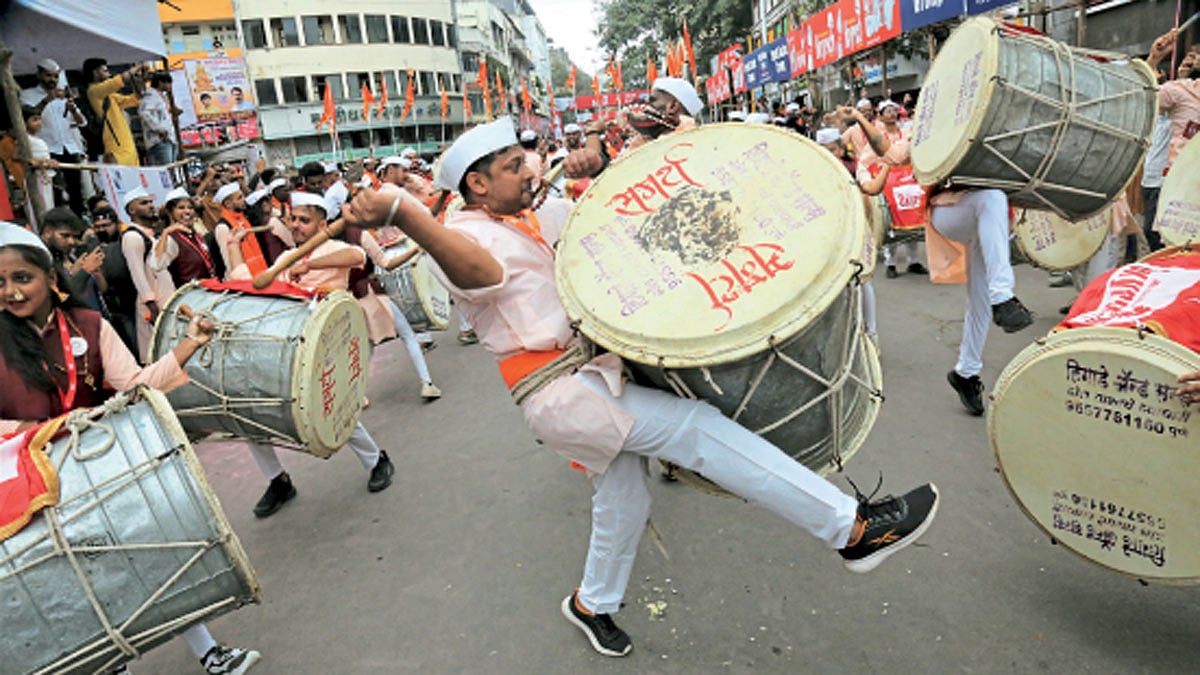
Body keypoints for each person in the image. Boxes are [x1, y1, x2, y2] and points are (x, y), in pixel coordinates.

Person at [341, 116, 940, 657]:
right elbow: (479, 274)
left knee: (624, 498)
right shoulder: (461, 236)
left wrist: (602, 165)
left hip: (592, 376)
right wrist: (404, 214)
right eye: (512, 166)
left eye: (526, 159)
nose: (529, 170)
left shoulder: (534, 213)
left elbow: (616, 225)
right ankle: (853, 529)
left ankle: (591, 604)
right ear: (476, 185)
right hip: (559, 391)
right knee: (697, 430)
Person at [0, 222, 260, 675]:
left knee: (143, 552)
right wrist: (23, 428)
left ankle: (209, 651)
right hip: (26, 481)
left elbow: (134, 386)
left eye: (22, 278)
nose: (11, 292)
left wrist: (188, 345)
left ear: (49, 277)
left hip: (94, 461)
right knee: (67, 581)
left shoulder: (89, 324)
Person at [223, 192, 394, 517]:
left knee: (331, 408)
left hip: (327, 343)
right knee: (249, 411)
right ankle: (278, 479)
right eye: (293, 219)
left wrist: (308, 263)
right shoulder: (285, 257)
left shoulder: (332, 248)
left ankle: (377, 460)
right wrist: (234, 245)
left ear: (322, 223)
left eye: (304, 220)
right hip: (285, 343)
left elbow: (357, 256)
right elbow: (246, 280)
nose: (296, 225)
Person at [19, 58, 86, 214]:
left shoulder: (63, 96)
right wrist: (48, 99)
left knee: (76, 188)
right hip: (47, 149)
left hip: (68, 147)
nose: (52, 80)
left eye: (55, 76)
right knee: (53, 190)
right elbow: (29, 117)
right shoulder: (28, 95)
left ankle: (79, 217)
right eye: (48, 76)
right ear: (39, 75)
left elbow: (82, 122)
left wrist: (73, 109)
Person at [118, 187, 173, 362]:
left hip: (165, 300)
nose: (150, 206)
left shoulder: (150, 235)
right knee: (157, 356)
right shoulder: (133, 237)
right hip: (153, 306)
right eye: (144, 203)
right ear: (131, 210)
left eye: (150, 201)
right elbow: (137, 274)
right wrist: (151, 305)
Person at [148, 187, 219, 286]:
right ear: (170, 212)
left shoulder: (195, 235)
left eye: (190, 208)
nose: (187, 211)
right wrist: (165, 233)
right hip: (189, 296)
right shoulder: (171, 238)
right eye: (181, 208)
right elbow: (157, 265)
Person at [83, 58, 146, 166]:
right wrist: (138, 67)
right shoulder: (93, 91)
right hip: (116, 150)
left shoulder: (110, 96)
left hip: (127, 147)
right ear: (95, 72)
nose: (109, 74)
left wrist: (139, 79)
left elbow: (136, 99)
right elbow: (118, 81)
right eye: (105, 70)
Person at [139, 72, 179, 166]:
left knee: (171, 169)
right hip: (159, 140)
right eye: (168, 83)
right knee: (166, 171)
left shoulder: (161, 96)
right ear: (161, 83)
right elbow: (144, 112)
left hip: (169, 138)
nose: (170, 86)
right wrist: (158, 129)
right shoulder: (150, 96)